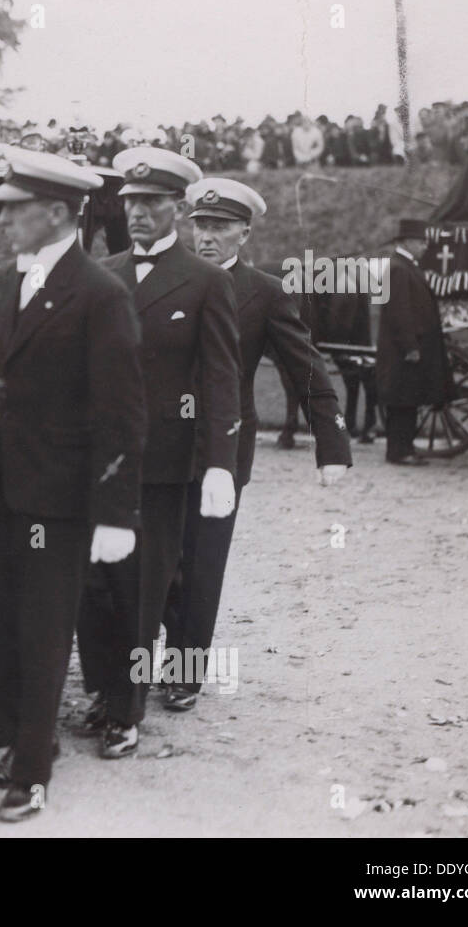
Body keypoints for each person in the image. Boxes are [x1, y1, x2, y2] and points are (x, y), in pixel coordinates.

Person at [0, 149, 144, 821]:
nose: (4, 217)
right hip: (0, 491)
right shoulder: (8, 280)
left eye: (15, 207)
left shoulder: (101, 294)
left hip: (62, 498)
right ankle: (15, 741)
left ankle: (33, 773)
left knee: (43, 631)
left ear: (56, 212)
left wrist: (114, 511)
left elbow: (121, 413)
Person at [161, 178, 351, 711]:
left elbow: (306, 366)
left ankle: (184, 670)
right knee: (157, 559)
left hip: (222, 447)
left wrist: (331, 443)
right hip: (160, 442)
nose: (206, 237)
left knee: (201, 561)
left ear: (244, 232)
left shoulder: (264, 292)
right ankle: (168, 642)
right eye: (200, 225)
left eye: (220, 227)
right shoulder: (164, 279)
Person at [77, 145, 241, 759]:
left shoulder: (207, 281)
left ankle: (128, 709)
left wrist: (220, 460)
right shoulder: (101, 273)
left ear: (178, 207)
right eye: (130, 203)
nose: (139, 213)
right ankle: (102, 690)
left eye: (151, 203)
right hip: (100, 460)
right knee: (90, 584)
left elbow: (221, 378)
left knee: (142, 587)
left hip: (166, 464)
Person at [375, 219, 451, 466]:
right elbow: (399, 312)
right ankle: (398, 451)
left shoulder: (406, 266)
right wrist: (410, 347)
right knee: (402, 401)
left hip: (409, 349)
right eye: (421, 241)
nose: (425, 246)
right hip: (403, 351)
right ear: (406, 242)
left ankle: (404, 447)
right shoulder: (399, 268)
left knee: (408, 399)